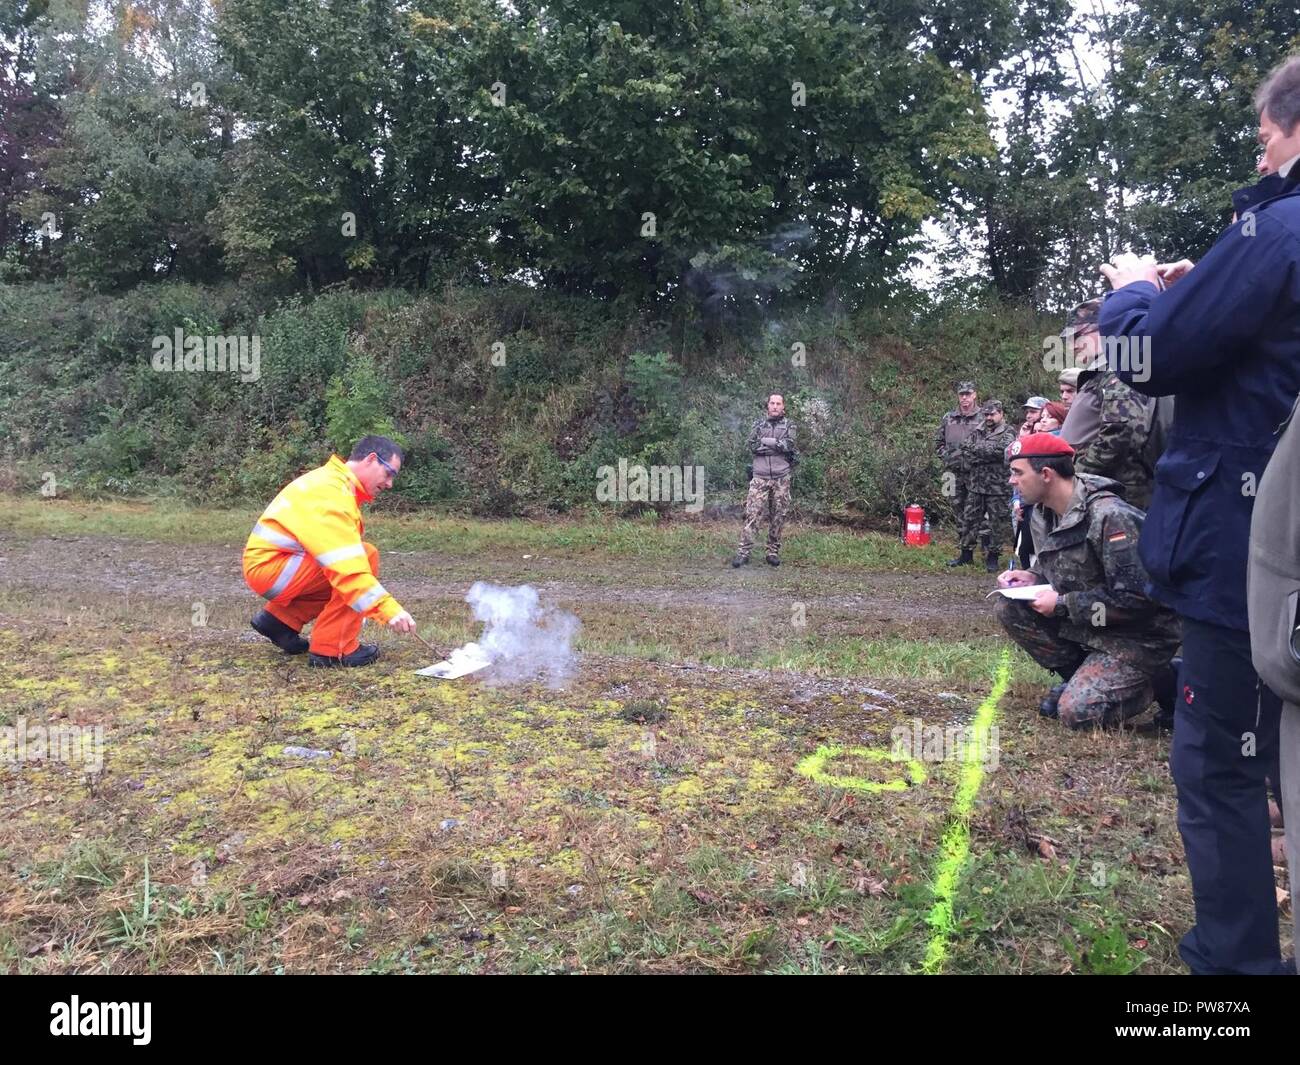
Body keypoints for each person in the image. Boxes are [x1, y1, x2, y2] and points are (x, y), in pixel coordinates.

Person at [1094, 54, 1300, 975]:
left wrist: (1138, 287)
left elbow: (1144, 354)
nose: (1260, 162)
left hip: (1254, 552)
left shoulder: (1280, 230)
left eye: (1266, 139)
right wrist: (1210, 284)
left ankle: (1234, 975)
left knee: (1220, 763)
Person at [997, 434, 1180, 728]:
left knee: (1078, 713)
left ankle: (1163, 681)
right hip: (1093, 623)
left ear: (1046, 474)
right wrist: (1032, 576)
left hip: (1139, 635)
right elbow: (1063, 567)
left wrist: (1060, 604)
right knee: (1010, 608)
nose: (1011, 481)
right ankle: (1081, 678)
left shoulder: (1109, 516)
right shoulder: (1047, 513)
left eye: (1017, 473)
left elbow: (1139, 599)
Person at [243, 435, 417, 668]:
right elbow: (347, 569)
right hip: (274, 570)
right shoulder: (332, 494)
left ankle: (280, 622)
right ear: (371, 459)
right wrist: (390, 610)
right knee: (363, 557)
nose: (389, 484)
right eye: (389, 474)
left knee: (355, 560)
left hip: (272, 566)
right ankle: (334, 650)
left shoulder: (332, 483)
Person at [732, 393, 797, 567]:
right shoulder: (758, 424)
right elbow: (752, 446)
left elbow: (789, 445)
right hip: (759, 477)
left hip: (781, 477)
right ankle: (743, 552)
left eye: (778, 403)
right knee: (752, 515)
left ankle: (772, 552)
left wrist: (766, 442)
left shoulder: (789, 425)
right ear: (767, 406)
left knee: (778, 516)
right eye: (772, 403)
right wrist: (777, 445)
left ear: (783, 406)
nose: (775, 406)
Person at [958, 400, 1018, 572]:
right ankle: (965, 555)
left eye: (992, 414)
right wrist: (983, 453)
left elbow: (1001, 452)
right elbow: (964, 447)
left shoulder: (1008, 431)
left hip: (997, 487)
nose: (989, 418)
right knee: (970, 519)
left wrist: (976, 451)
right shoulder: (978, 430)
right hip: (976, 485)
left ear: (1001, 414)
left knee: (996, 524)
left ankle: (993, 557)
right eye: (986, 414)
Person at [935, 382, 988, 567]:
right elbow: (938, 442)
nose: (964, 398)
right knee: (957, 509)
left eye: (968, 394)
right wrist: (947, 456)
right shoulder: (949, 417)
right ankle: (965, 553)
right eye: (961, 394)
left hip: (976, 472)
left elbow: (991, 442)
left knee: (977, 512)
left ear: (975, 395)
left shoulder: (984, 417)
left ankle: (987, 551)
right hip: (952, 473)